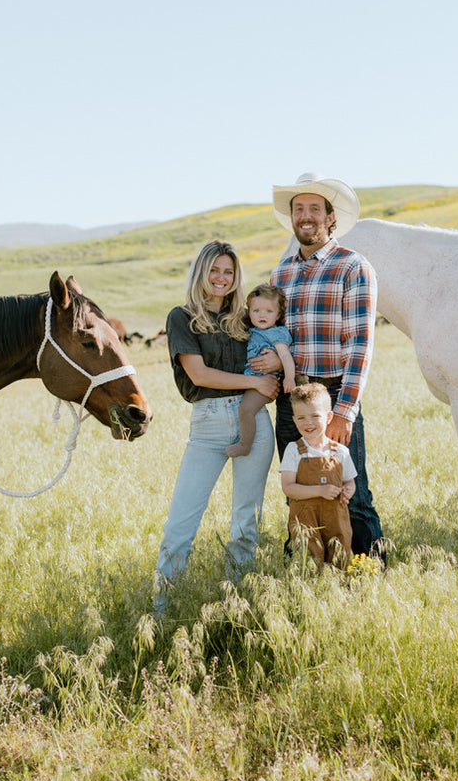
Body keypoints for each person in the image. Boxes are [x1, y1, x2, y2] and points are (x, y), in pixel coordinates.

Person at [249, 171, 385, 562]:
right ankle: (306, 577)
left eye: (314, 209)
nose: (305, 216)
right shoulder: (281, 274)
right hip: (292, 397)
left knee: (349, 490)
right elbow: (276, 334)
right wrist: (274, 361)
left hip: (334, 395)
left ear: (330, 218)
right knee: (299, 486)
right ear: (292, 218)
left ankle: (369, 573)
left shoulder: (353, 267)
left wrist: (344, 411)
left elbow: (361, 345)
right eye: (298, 209)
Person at [154, 240, 278, 609]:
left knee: (246, 521)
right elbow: (199, 373)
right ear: (201, 272)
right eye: (214, 270)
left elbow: (269, 351)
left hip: (253, 420)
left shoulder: (244, 319)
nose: (221, 278)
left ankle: (237, 606)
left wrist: (273, 363)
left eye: (229, 272)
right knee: (180, 525)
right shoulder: (181, 316)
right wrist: (255, 381)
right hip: (208, 424)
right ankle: (160, 611)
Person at [280, 383, 355, 570]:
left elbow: (350, 482)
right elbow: (288, 487)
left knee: (339, 555)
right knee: (309, 558)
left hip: (336, 517)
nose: (308, 423)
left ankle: (338, 594)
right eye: (302, 418)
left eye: (315, 416)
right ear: (295, 420)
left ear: (329, 417)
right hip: (306, 518)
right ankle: (310, 593)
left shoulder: (341, 452)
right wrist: (320, 491)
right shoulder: (294, 450)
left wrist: (347, 492)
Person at [226, 284, 295, 459]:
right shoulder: (253, 331)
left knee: (246, 410)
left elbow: (285, 356)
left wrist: (290, 378)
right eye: (256, 310)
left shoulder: (276, 333)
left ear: (278, 314)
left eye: (268, 311)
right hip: (253, 380)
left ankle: (245, 445)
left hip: (266, 381)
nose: (262, 315)